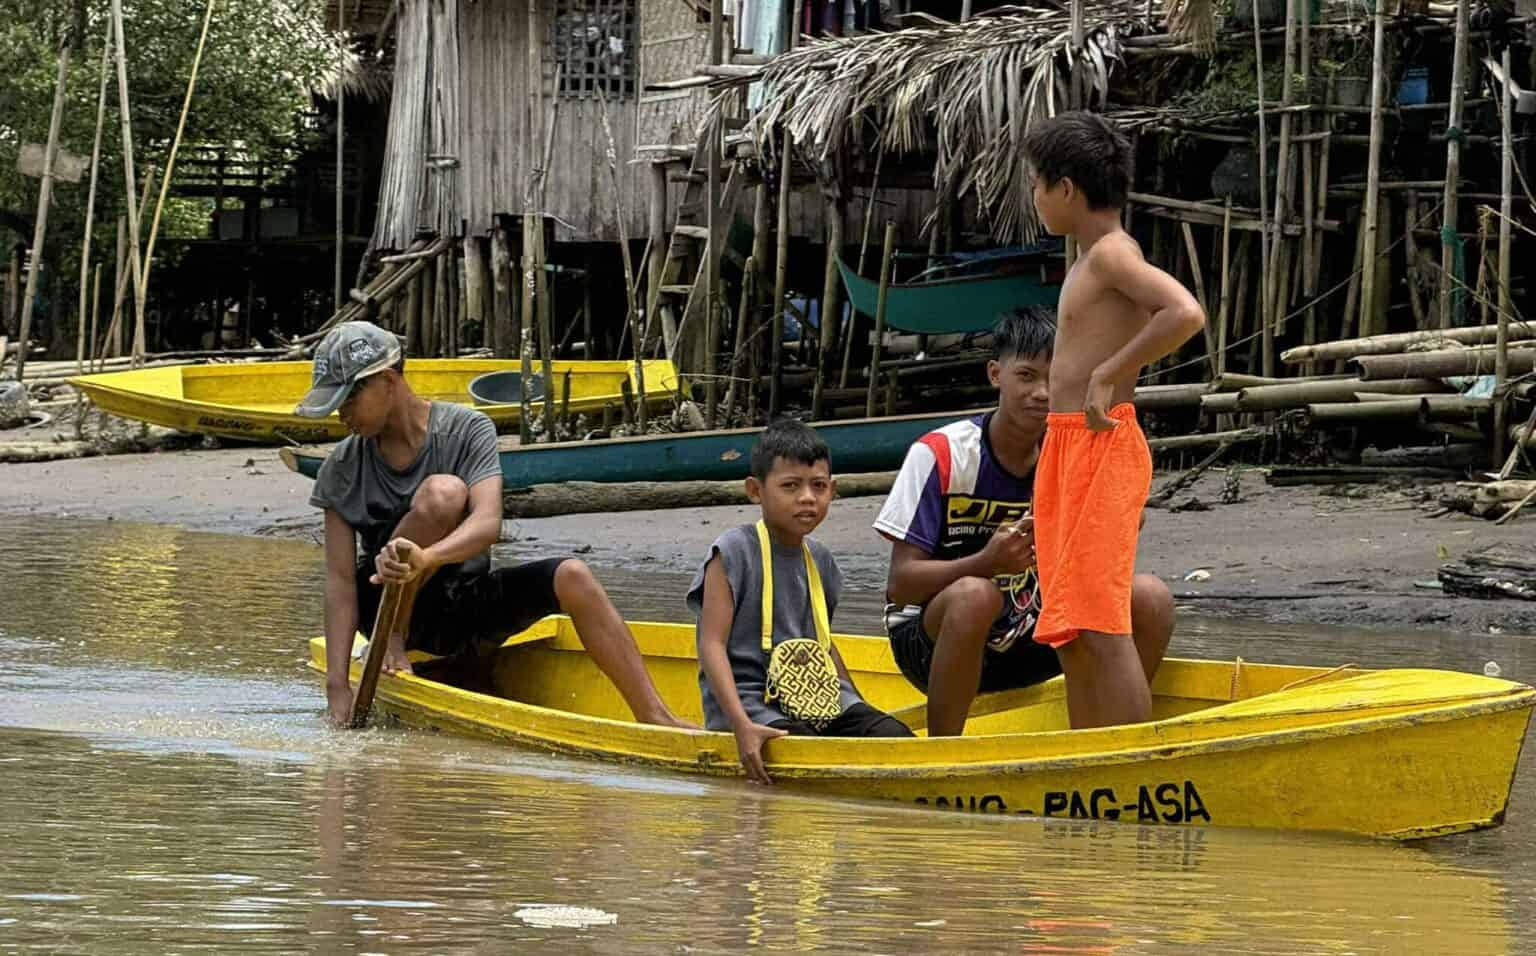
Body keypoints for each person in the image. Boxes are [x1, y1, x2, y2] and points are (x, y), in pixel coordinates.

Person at [298, 320, 693, 730]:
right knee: (440, 499)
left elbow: (488, 523)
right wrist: (337, 687)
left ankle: (654, 715)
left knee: (571, 573)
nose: (341, 415)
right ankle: (393, 638)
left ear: (387, 380)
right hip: (383, 606)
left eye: (348, 399)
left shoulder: (467, 429)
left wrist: (426, 558)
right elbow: (340, 583)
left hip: (460, 601)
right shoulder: (341, 467)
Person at [875, 309, 1175, 736]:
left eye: (1055, 378)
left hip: (1036, 633)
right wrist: (986, 562)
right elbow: (900, 585)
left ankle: (1108, 737)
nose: (1042, 393)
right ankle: (943, 750)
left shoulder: (1071, 454)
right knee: (974, 596)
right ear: (995, 375)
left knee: (1151, 598)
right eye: (1026, 376)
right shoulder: (943, 453)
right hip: (932, 642)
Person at [1022, 111, 1205, 729]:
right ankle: (1086, 756)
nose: (1035, 198)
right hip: (1066, 445)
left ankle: (1130, 760)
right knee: (1071, 626)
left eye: (1037, 185)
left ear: (1065, 188)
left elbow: (1183, 312)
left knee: (1100, 622)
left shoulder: (1111, 256)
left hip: (1101, 445)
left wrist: (1110, 372)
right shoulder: (1087, 258)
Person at [689, 420, 912, 784]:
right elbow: (711, 645)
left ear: (832, 491)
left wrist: (858, 705)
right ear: (755, 491)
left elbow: (823, 645)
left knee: (894, 738)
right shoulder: (732, 551)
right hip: (753, 702)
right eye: (790, 486)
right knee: (808, 751)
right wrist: (740, 724)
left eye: (818, 486)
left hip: (818, 698)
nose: (807, 497)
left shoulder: (821, 560)